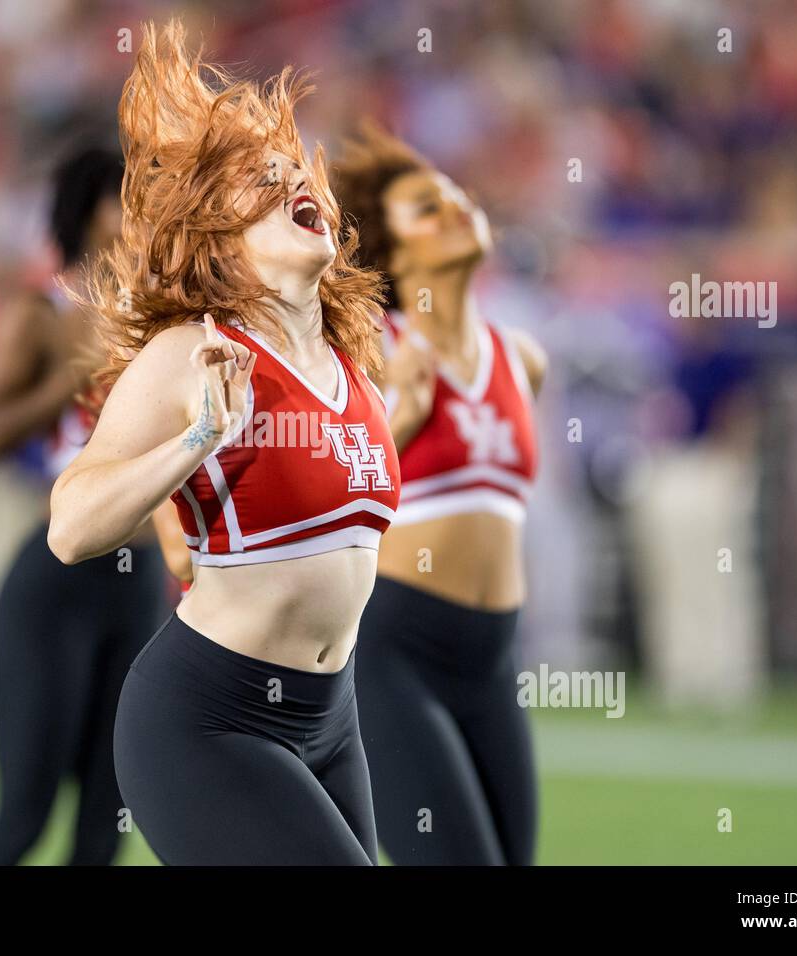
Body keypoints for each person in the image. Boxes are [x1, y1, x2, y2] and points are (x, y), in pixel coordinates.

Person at [48, 21, 398, 865]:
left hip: (332, 717)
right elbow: (70, 527)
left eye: (295, 171)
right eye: (263, 181)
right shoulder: (192, 354)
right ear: (219, 239)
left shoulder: (354, 368)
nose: (296, 180)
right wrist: (197, 440)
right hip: (208, 719)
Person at [333, 123, 547, 864]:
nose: (457, 208)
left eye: (459, 196)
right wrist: (401, 417)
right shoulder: (368, 351)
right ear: (392, 253)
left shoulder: (521, 357)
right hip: (396, 650)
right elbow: (327, 499)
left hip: (493, 656)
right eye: (427, 207)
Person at [0, 147, 180, 865]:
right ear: (89, 212)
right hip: (58, 580)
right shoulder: (43, 312)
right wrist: (67, 382)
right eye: (129, 200)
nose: (146, 217)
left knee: (106, 828)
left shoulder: (171, 317)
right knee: (23, 818)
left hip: (142, 586)